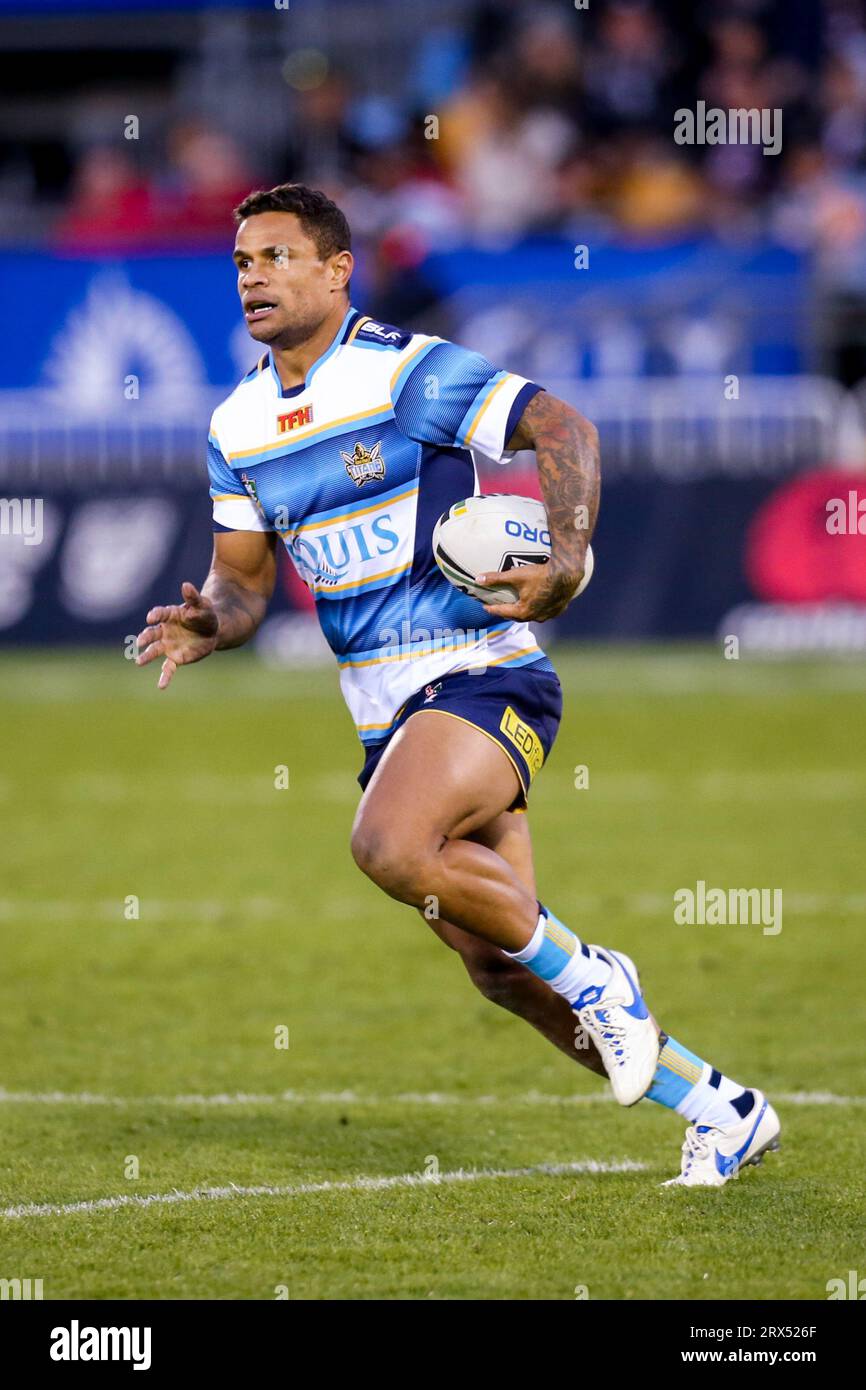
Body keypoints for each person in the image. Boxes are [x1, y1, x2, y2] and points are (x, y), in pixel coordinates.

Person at [136, 183, 780, 1186]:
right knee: (499, 968)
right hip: (384, 718)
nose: (252, 277)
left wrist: (565, 553)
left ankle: (599, 977)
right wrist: (209, 620)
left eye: (275, 257)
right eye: (240, 263)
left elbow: (563, 428)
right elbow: (243, 580)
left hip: (484, 675)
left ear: (337, 269)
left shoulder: (402, 372)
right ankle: (718, 1106)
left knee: (388, 845)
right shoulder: (235, 425)